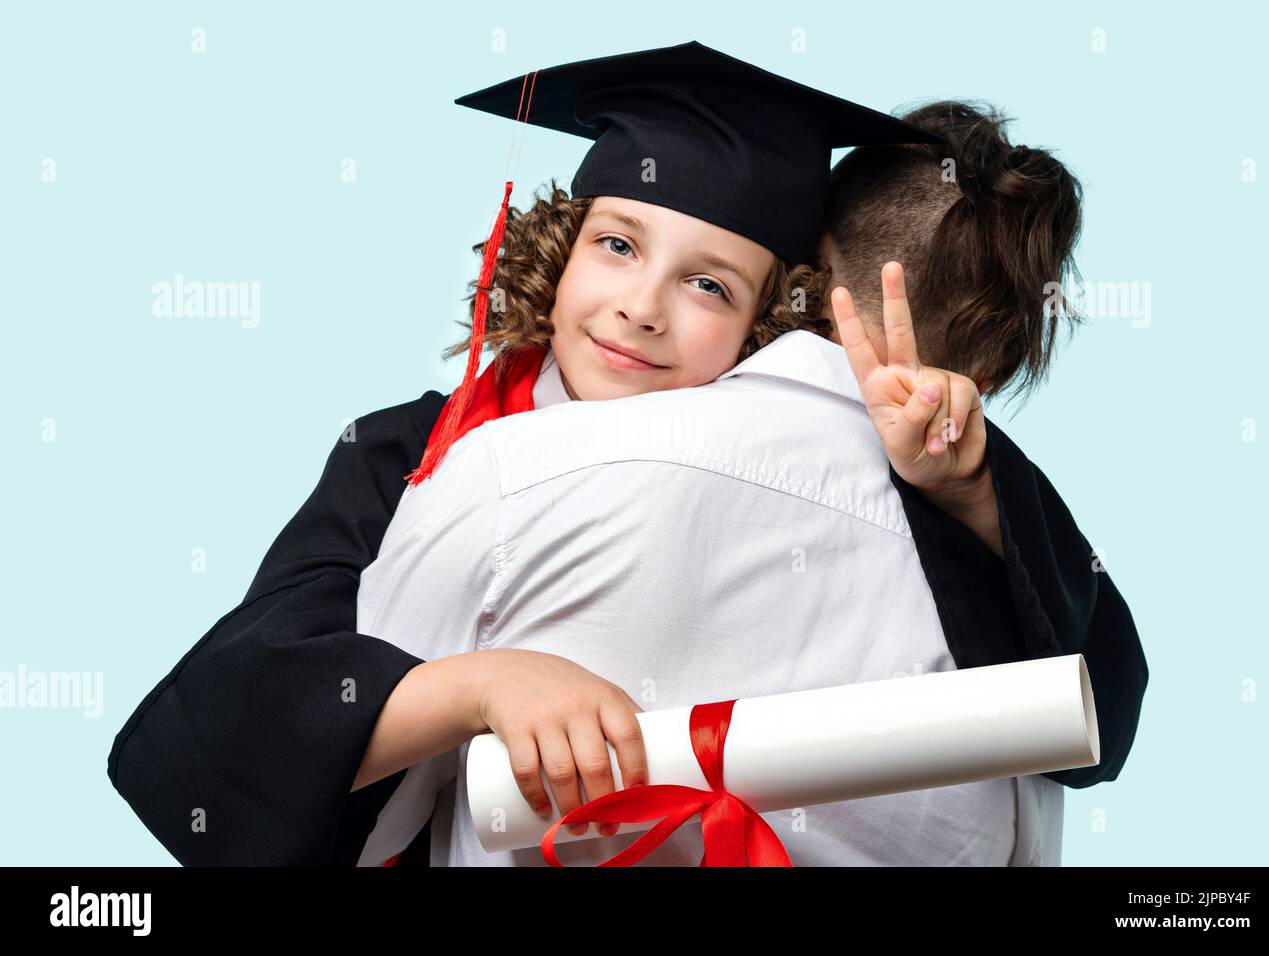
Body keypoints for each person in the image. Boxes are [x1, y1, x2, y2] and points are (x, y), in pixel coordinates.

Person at [106, 49, 1145, 869]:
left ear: (765, 324)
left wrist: (962, 490)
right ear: (558, 244)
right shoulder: (413, 448)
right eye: (615, 244)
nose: (640, 308)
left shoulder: (881, 452)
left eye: (708, 286)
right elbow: (237, 709)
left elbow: (1094, 698)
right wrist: (480, 684)